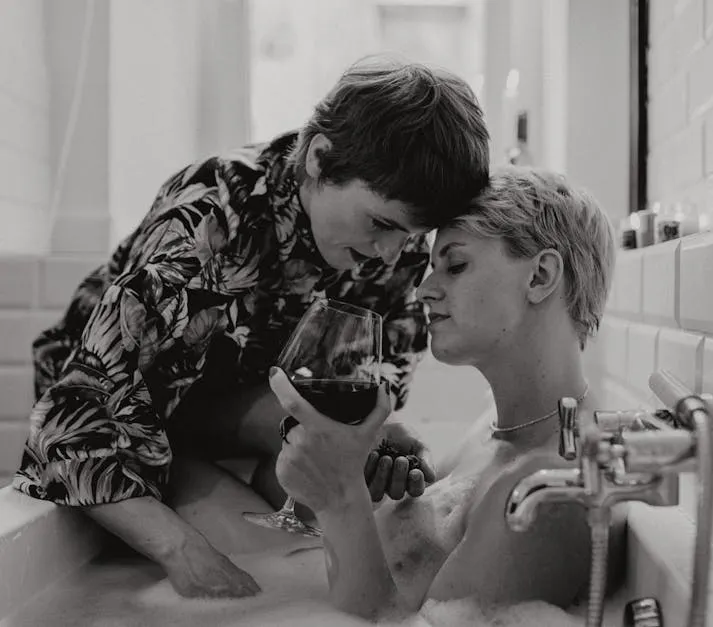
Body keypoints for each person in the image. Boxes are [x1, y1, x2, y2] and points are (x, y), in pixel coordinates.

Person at [12, 55, 490, 599]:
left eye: (410, 234)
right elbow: (69, 421)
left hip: (239, 416)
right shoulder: (210, 218)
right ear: (319, 158)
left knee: (310, 546)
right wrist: (179, 548)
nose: (390, 253)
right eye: (380, 224)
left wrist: (376, 446)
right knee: (259, 569)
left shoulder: (393, 248)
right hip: (127, 421)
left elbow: (352, 403)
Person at [261, 165, 617, 620]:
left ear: (540, 276)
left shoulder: (550, 492)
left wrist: (340, 499)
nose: (424, 290)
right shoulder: (497, 428)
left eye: (456, 265)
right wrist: (367, 480)